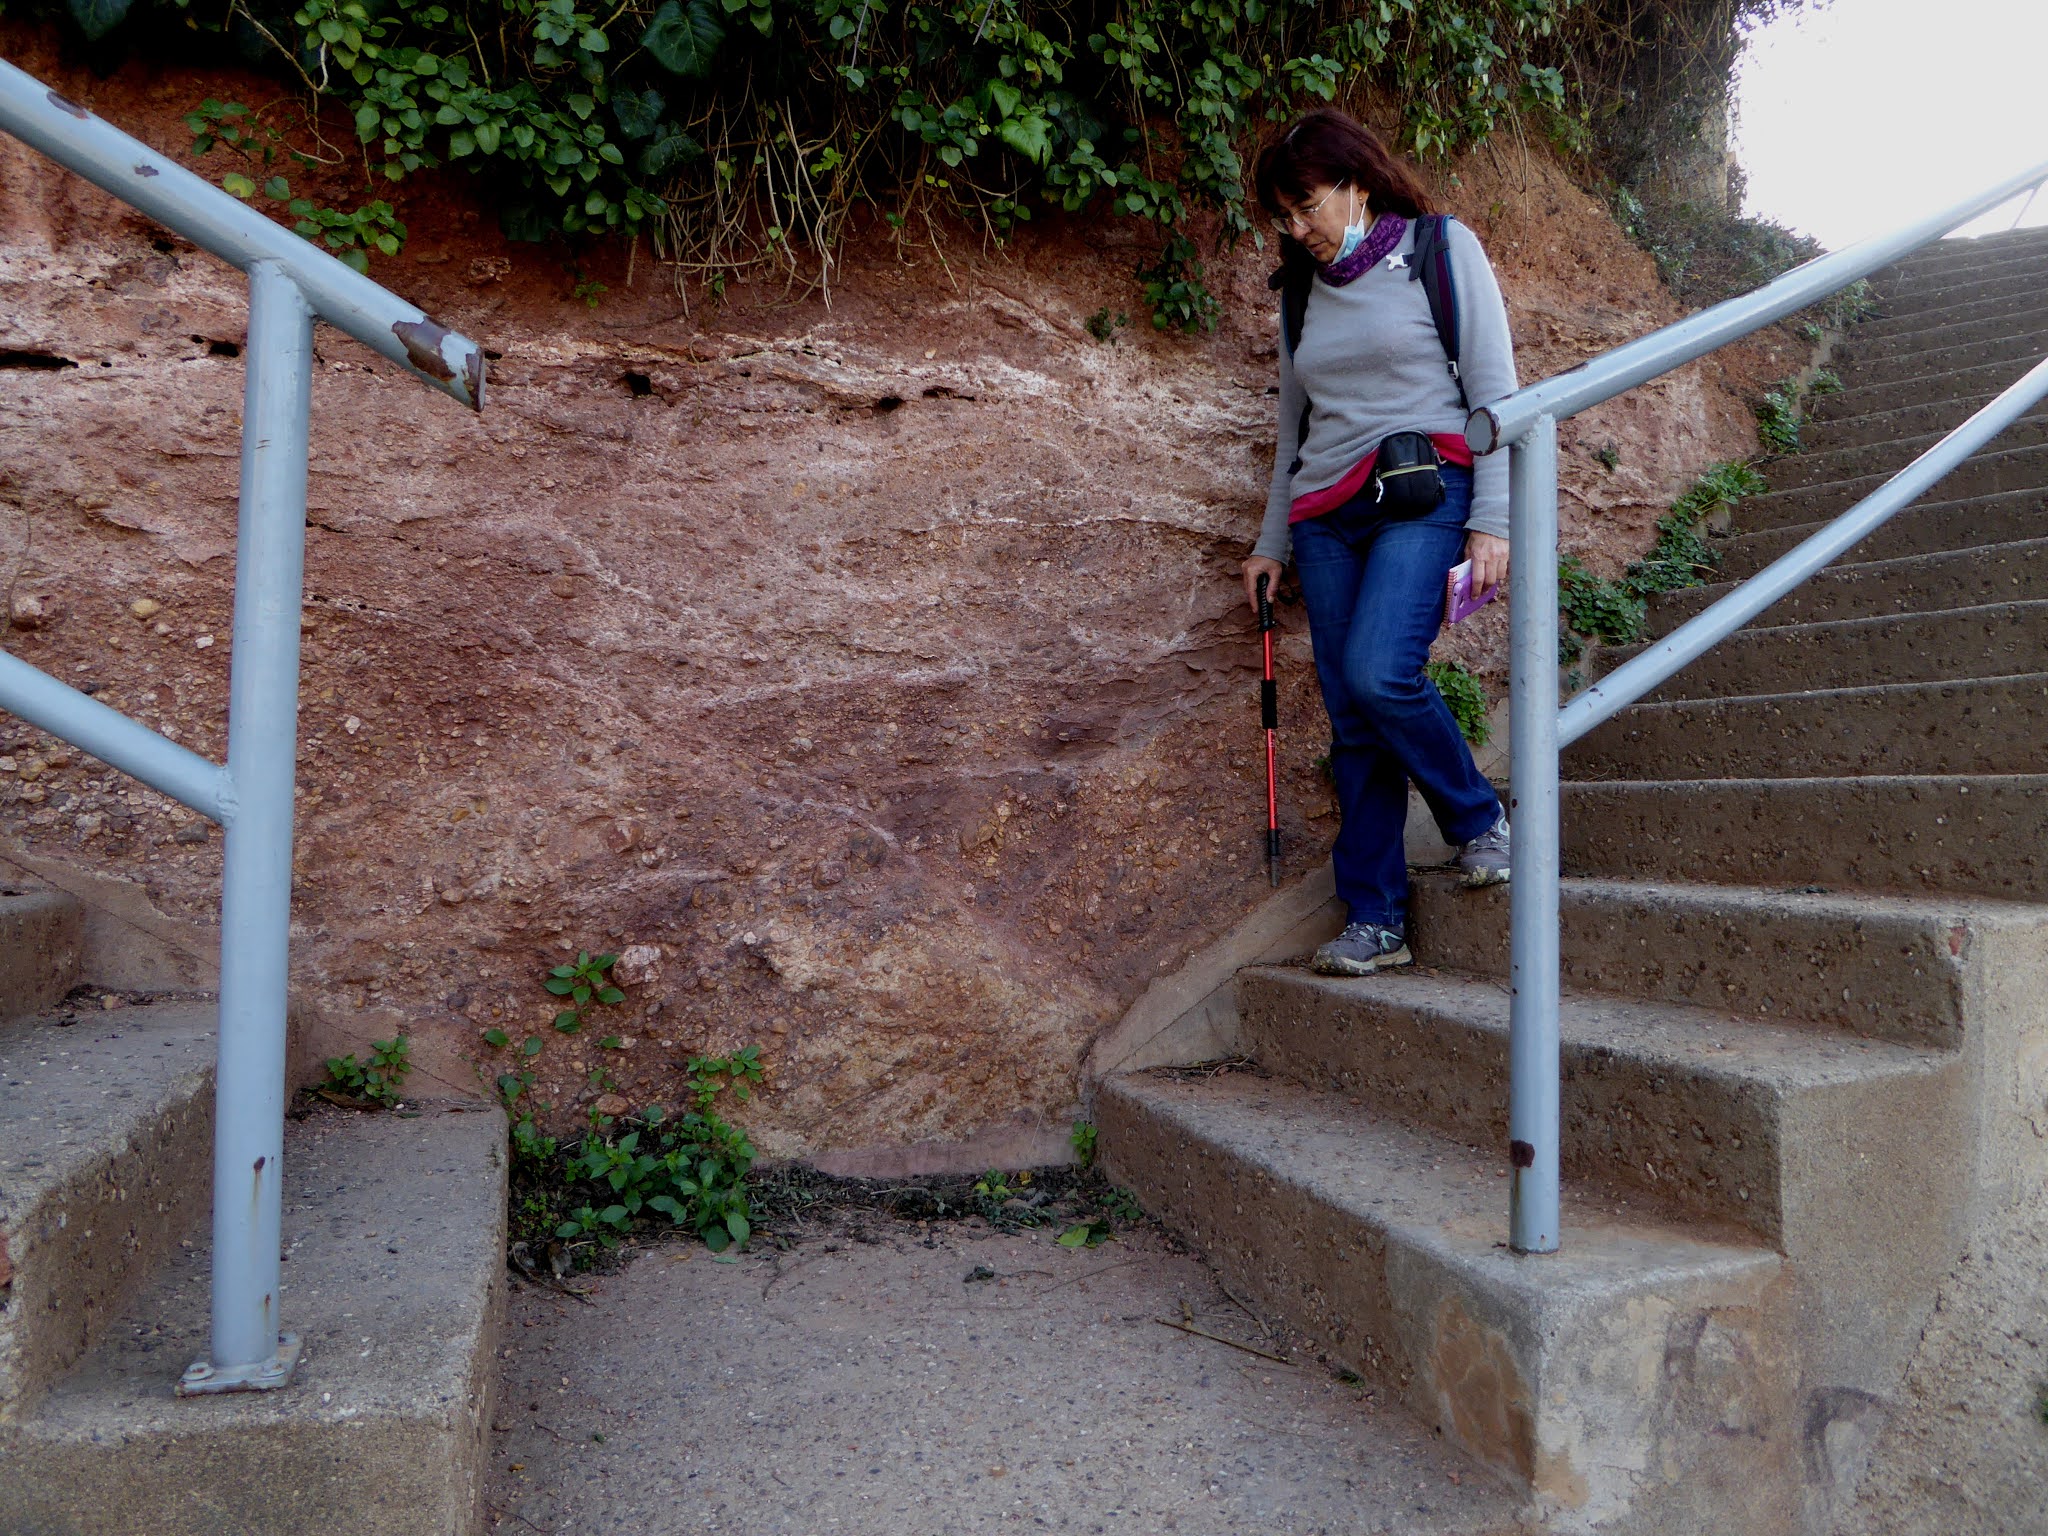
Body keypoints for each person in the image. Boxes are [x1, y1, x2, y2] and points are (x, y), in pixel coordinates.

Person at [1240, 108, 1516, 978]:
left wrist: (1494, 520)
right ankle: (1376, 916)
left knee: (1378, 672)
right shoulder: (1299, 294)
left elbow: (1496, 393)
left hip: (1422, 490)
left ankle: (1477, 817)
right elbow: (1294, 432)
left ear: (1357, 183)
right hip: (1325, 514)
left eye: (1308, 206)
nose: (1299, 229)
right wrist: (1270, 543)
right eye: (1283, 217)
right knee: (1353, 718)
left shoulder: (1439, 249)